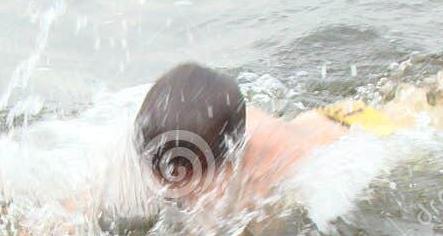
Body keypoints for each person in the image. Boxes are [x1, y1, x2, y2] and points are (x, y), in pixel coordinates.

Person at [134, 61, 409, 205]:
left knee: (439, 120)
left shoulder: (271, 174)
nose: (171, 192)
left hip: (369, 135)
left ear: (230, 160)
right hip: (332, 116)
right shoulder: (187, 130)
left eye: (189, 187)